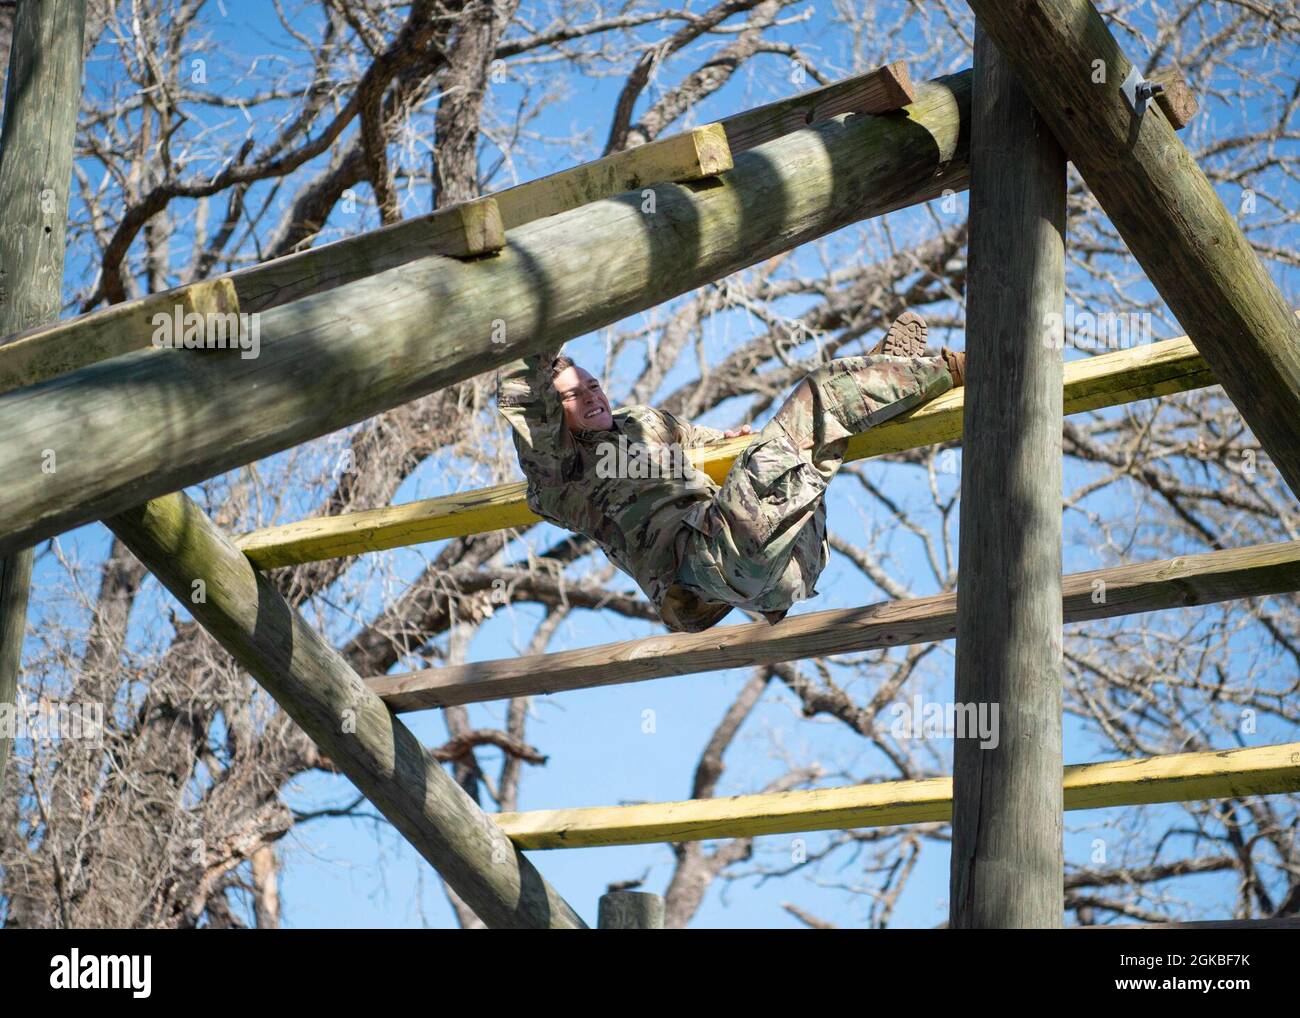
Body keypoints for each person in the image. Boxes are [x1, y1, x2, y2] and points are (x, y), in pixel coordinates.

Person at [496, 311, 966, 633]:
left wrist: (731, 440)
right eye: (574, 396)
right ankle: (949, 368)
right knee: (821, 396)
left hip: (793, 566)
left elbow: (700, 440)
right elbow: (522, 387)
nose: (593, 396)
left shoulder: (643, 422)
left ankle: (886, 371)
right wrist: (553, 307)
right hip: (713, 562)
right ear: (554, 415)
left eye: (593, 385)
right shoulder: (558, 472)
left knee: (808, 444)